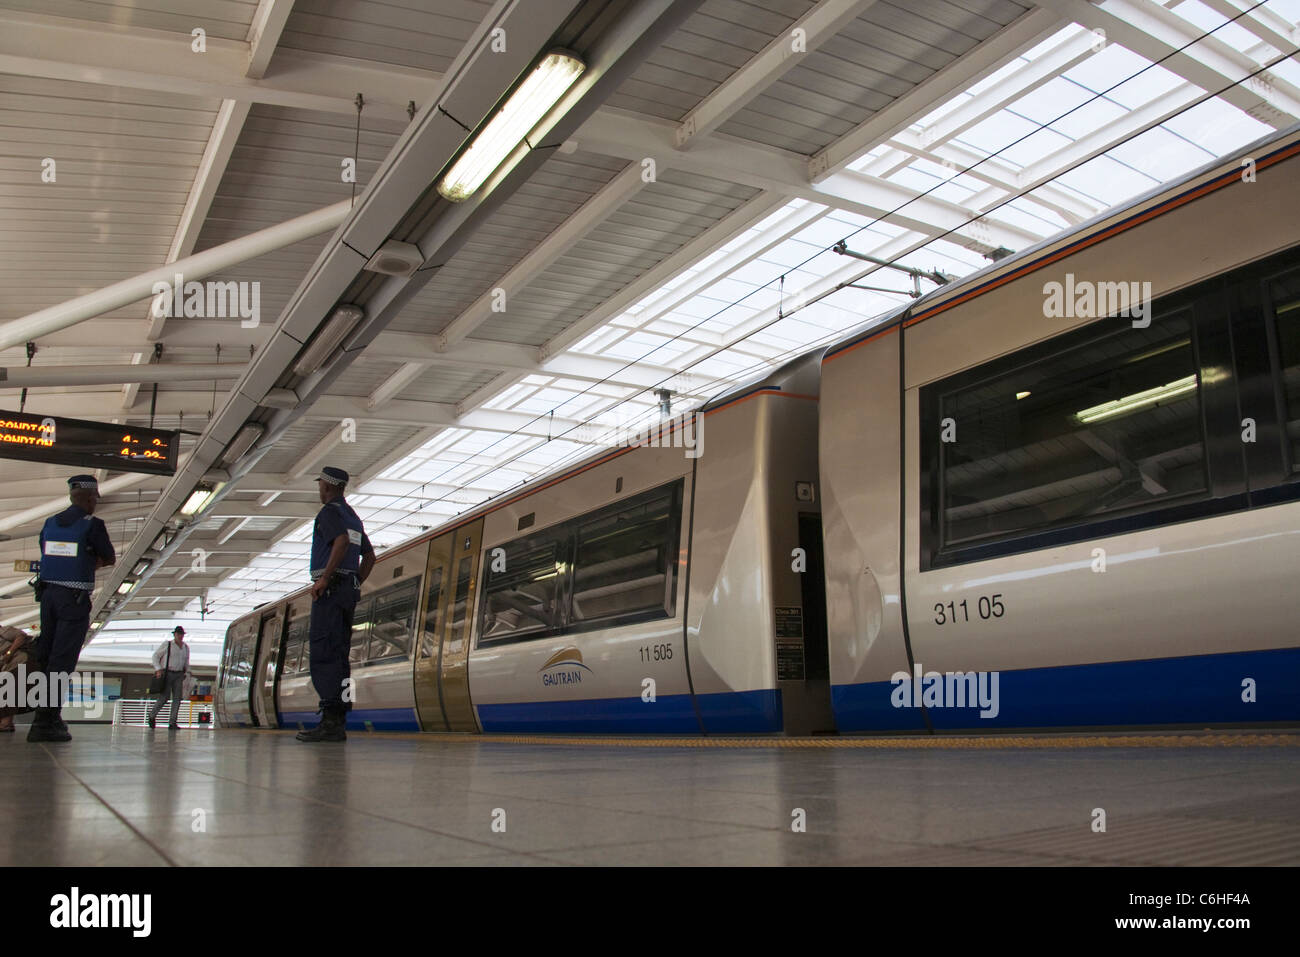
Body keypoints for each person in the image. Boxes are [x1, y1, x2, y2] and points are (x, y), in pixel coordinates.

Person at [28, 475, 115, 742]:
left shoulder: (50, 523)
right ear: (90, 499)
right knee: (62, 659)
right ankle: (46, 721)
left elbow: (46, 550)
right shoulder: (93, 525)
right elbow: (109, 557)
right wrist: (89, 561)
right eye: (94, 500)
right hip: (73, 601)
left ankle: (42, 715)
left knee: (46, 655)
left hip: (48, 597)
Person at [298, 467, 374, 743]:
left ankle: (330, 723)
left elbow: (340, 542)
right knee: (340, 655)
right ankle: (338, 719)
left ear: (326, 487)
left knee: (324, 651)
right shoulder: (353, 517)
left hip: (330, 592)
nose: (319, 490)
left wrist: (325, 578)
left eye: (320, 485)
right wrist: (355, 582)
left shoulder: (329, 513)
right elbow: (369, 556)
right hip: (346, 592)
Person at [148, 626, 192, 729]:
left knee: (177, 698)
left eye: (181, 634)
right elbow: (155, 656)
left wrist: (188, 671)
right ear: (174, 635)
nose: (180, 636)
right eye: (178, 634)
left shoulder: (185, 647)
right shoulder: (167, 644)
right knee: (164, 697)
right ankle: (152, 715)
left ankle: (172, 722)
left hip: (179, 674)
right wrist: (158, 669)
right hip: (167, 673)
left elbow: (186, 661)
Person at [0, 625, 32, 732]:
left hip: (18, 661)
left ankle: (6, 723)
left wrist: (9, 653)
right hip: (8, 667)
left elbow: (21, 635)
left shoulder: (3, 630)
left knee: (9, 691)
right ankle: (6, 722)